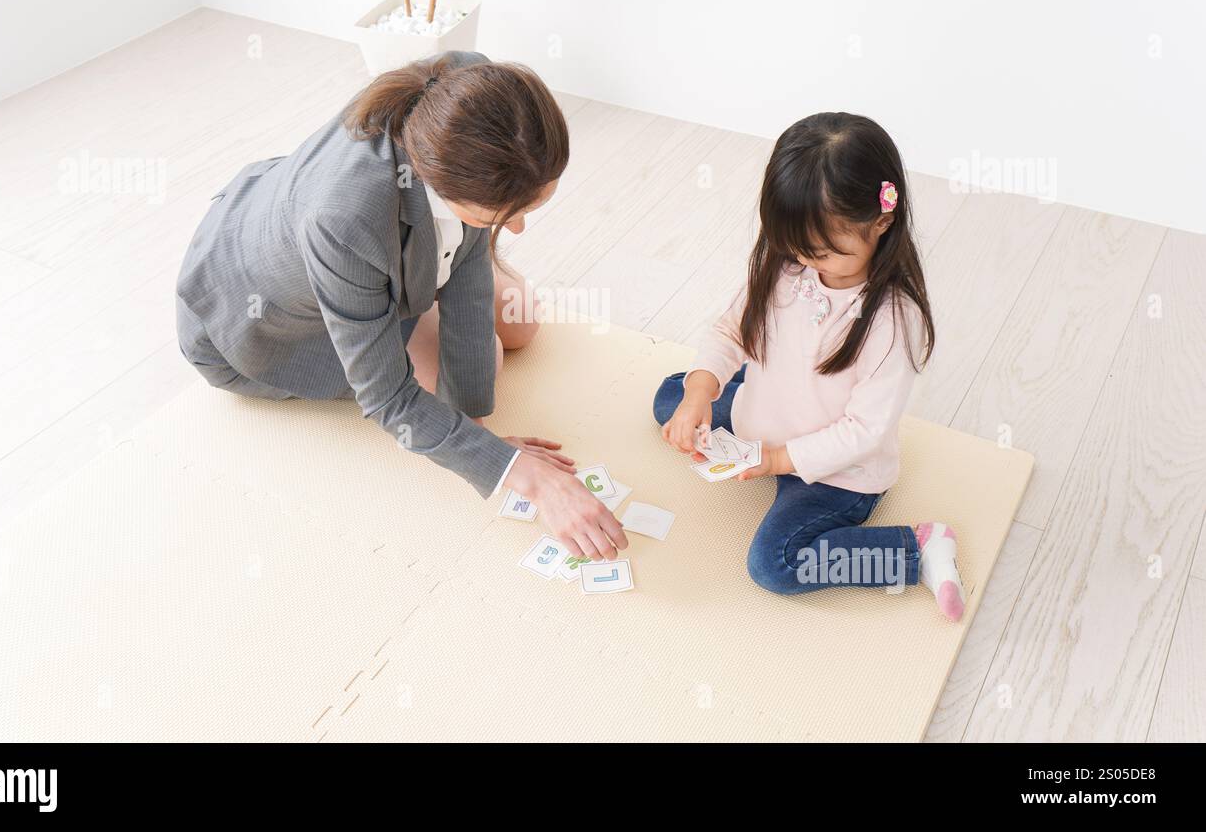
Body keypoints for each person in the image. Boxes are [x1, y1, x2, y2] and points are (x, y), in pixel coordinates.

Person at [176, 50, 628, 562]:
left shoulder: (468, 86)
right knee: (489, 359)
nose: (518, 229)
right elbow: (388, 399)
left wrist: (476, 430)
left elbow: (473, 260)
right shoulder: (343, 219)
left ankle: (430, 266)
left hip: (365, 243)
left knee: (518, 322)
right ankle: (413, 282)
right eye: (507, 214)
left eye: (530, 206)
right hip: (263, 323)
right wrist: (523, 476)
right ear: (443, 181)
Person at [653, 113, 963, 619]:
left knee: (775, 565)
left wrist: (773, 461)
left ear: (882, 220)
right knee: (673, 397)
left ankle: (918, 549)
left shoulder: (891, 321)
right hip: (761, 424)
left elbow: (863, 431)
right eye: (792, 243)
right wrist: (698, 393)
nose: (803, 259)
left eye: (823, 251)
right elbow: (733, 330)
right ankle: (711, 398)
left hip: (837, 471)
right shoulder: (785, 260)